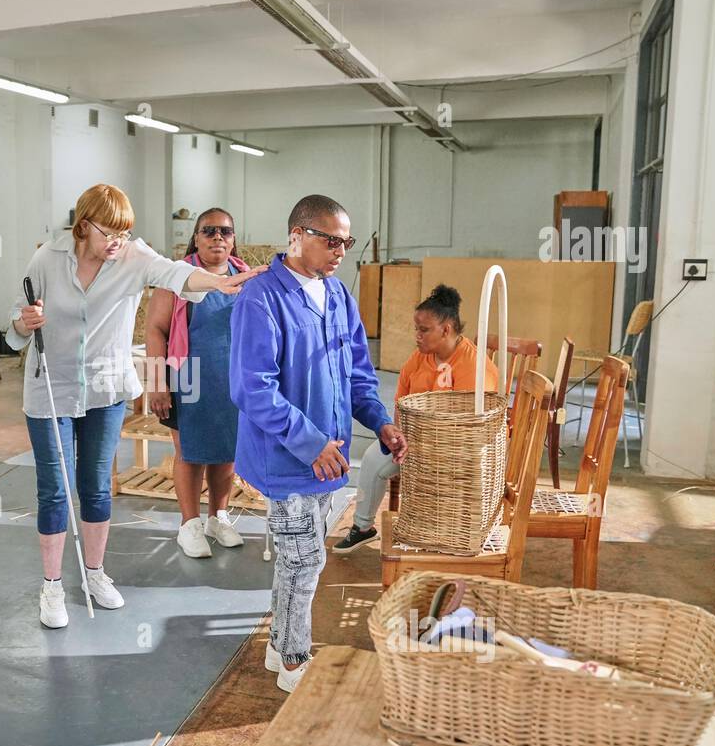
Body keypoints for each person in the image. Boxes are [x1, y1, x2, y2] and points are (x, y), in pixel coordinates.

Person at [8, 184, 263, 629]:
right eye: (110, 233)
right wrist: (23, 323)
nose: (118, 242)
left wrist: (220, 282)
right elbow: (15, 324)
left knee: (97, 487)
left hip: (106, 389)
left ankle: (94, 574)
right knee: (54, 488)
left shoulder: (133, 257)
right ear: (83, 226)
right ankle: (51, 586)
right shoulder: (46, 259)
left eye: (125, 233)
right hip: (51, 387)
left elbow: (178, 275)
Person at [230, 194, 407, 692]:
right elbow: (251, 387)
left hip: (329, 461)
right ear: (296, 236)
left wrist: (380, 421)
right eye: (330, 240)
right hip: (288, 459)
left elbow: (356, 373)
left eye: (346, 242)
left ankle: (276, 648)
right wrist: (310, 443)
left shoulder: (337, 296)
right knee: (304, 558)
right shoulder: (261, 297)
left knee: (298, 557)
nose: (340, 251)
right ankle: (292, 660)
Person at [333, 284, 499, 554]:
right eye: (416, 328)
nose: (417, 336)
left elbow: (470, 426)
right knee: (376, 455)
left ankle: (437, 530)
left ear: (446, 329)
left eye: (424, 330)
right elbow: (400, 401)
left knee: (380, 458)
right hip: (416, 442)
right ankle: (363, 527)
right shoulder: (419, 358)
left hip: (456, 450)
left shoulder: (473, 366)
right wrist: (398, 437)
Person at [144, 208, 247, 558]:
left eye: (226, 231)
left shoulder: (245, 276)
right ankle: (189, 525)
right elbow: (155, 330)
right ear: (197, 237)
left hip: (232, 377)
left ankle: (218, 518)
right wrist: (157, 382)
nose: (218, 237)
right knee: (190, 453)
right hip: (189, 375)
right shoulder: (178, 276)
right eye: (209, 231)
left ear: (234, 238)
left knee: (226, 453)